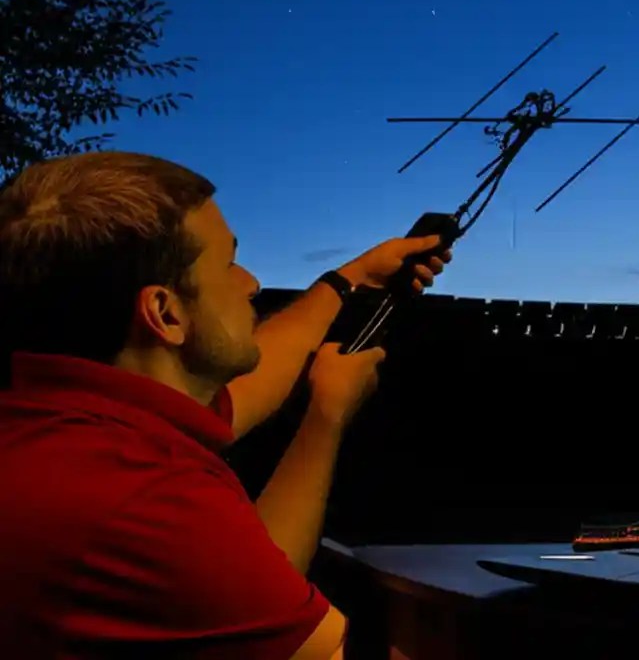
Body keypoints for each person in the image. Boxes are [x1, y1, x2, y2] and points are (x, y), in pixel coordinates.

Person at [0, 151, 451, 659]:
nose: (251, 282)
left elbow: (250, 581)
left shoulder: (62, 428)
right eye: (227, 264)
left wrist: (351, 281)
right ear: (165, 314)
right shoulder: (150, 500)